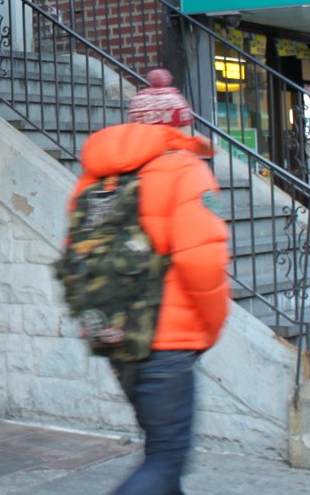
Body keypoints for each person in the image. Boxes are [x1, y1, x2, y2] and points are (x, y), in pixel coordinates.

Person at [70, 68, 230, 495]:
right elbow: (204, 263)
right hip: (169, 344)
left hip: (117, 339)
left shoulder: (96, 177)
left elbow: (75, 250)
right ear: (181, 121)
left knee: (163, 459)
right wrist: (210, 330)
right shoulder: (186, 169)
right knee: (165, 459)